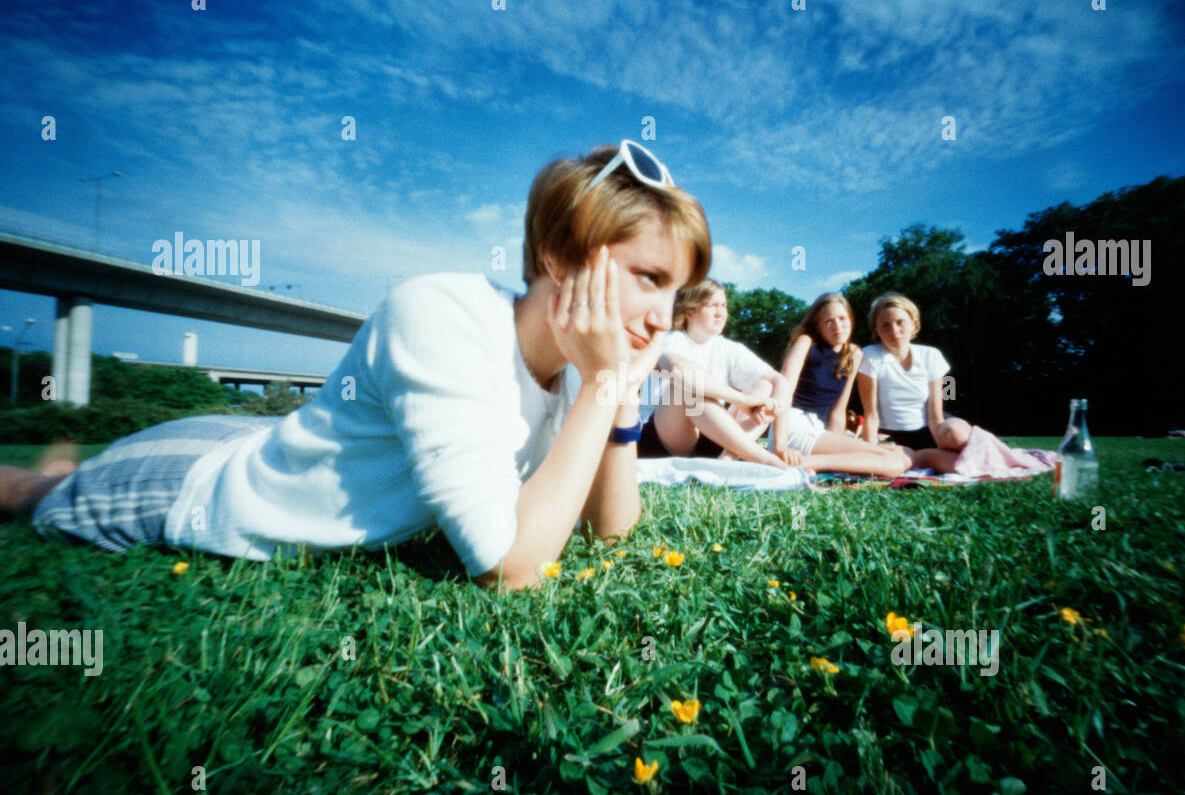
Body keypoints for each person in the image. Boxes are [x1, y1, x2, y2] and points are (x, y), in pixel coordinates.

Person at [1, 140, 711, 590]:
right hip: (197, 486)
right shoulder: (443, 316)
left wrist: (616, 396)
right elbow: (510, 566)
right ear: (559, 258)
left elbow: (611, 532)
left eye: (674, 291)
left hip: (252, 441)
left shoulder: (585, 369)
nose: (663, 315)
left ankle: (63, 465)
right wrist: (602, 389)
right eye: (648, 277)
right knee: (28, 500)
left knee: (56, 475)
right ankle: (49, 477)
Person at [636, 279, 798, 469]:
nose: (721, 313)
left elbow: (781, 382)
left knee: (765, 386)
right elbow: (680, 371)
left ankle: (728, 459)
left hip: (711, 438)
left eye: (724, 306)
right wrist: (743, 401)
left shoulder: (728, 348)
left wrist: (778, 438)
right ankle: (766, 460)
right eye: (713, 305)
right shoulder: (671, 341)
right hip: (662, 439)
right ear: (690, 312)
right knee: (688, 389)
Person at [775, 293, 912, 477]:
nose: (838, 326)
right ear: (818, 327)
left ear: (851, 319)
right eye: (829, 321)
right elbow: (782, 392)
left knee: (904, 455)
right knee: (893, 463)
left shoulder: (854, 354)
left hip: (818, 431)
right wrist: (780, 444)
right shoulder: (806, 343)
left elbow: (838, 411)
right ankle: (796, 462)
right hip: (793, 426)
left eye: (842, 318)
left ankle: (811, 463)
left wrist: (841, 445)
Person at [856, 291, 971, 473]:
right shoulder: (870, 356)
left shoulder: (931, 356)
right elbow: (871, 414)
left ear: (913, 324)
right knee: (958, 466)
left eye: (900, 322)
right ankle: (919, 458)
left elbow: (935, 415)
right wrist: (869, 455)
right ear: (876, 331)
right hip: (893, 436)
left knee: (956, 436)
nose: (894, 330)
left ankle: (923, 457)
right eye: (885, 325)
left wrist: (941, 449)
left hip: (931, 429)